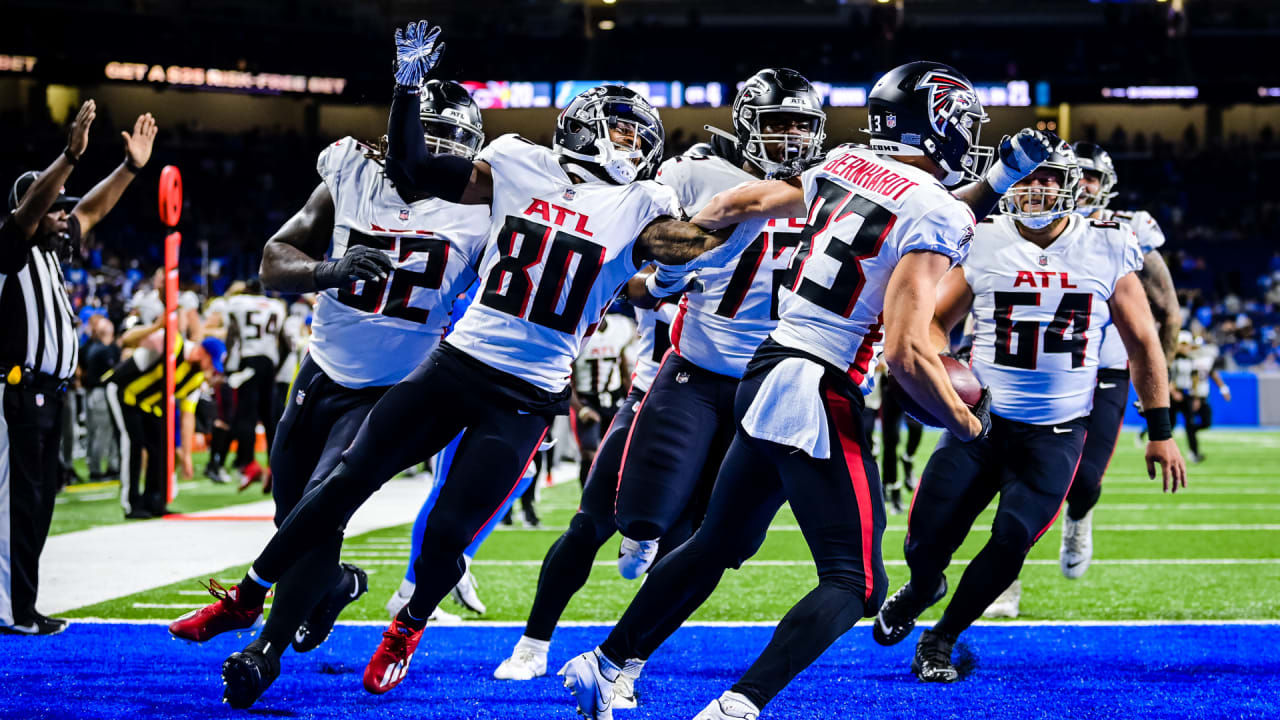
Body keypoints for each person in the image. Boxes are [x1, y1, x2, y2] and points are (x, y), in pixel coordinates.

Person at [168, 20, 748, 707]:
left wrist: (763, 195)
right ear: (583, 125)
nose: (630, 144)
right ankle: (248, 596)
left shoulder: (642, 204)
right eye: (619, 129)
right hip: (459, 364)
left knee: (447, 533)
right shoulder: (516, 163)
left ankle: (407, 626)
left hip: (527, 397)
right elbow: (413, 167)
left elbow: (695, 244)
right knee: (342, 485)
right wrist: (407, 84)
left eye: (637, 137)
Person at [558, 61, 1052, 720]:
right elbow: (907, 351)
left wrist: (675, 259)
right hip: (821, 381)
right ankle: (738, 705)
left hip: (768, 366)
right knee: (857, 583)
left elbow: (740, 204)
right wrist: (967, 423)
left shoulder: (844, 164)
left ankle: (605, 661)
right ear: (939, 125)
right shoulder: (936, 210)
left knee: (717, 542)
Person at [169, 78, 492, 708]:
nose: (433, 157)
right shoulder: (350, 172)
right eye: (427, 140)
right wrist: (327, 270)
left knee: (322, 507)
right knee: (295, 518)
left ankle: (265, 651)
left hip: (392, 389)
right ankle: (337, 584)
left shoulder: (481, 215)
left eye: (450, 146)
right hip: (319, 371)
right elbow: (272, 259)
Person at [873, 138, 1187, 684]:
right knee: (924, 537)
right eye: (1027, 177)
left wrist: (1160, 429)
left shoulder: (1108, 244)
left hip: (1057, 432)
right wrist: (941, 370)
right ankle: (924, 586)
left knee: (1012, 538)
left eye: (1049, 178)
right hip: (980, 423)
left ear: (1069, 185)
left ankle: (942, 637)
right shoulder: (984, 238)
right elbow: (935, 323)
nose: (1036, 188)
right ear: (1009, 181)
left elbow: (1143, 343)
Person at [1, 102, 156, 635]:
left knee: (40, 503)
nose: (65, 216)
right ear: (31, 208)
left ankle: (24, 605)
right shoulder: (11, 247)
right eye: (54, 208)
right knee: (15, 506)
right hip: (16, 394)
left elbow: (89, 210)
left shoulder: (51, 250)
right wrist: (70, 155)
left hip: (51, 395)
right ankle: (10, 610)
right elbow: (29, 213)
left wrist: (130, 169)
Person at [490, 295, 674, 699]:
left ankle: (626, 661)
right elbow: (633, 279)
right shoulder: (670, 242)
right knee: (587, 525)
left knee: (696, 544)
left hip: (730, 404)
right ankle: (533, 646)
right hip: (652, 394)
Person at [1052, 141, 1181, 583]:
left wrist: (1156, 393)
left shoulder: (1127, 229)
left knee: (1086, 479)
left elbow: (1166, 309)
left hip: (1104, 370)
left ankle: (1078, 520)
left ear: (1107, 185)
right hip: (1043, 367)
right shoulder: (1034, 222)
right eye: (1079, 173)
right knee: (1022, 478)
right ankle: (1005, 574)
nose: (1085, 184)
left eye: (1093, 176)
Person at [103, 320, 226, 518]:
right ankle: (131, 502)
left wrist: (186, 456)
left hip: (151, 403)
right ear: (202, 352)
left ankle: (155, 501)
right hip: (124, 391)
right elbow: (127, 339)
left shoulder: (195, 379)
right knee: (133, 443)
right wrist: (156, 326)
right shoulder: (171, 343)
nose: (210, 369)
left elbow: (188, 416)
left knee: (160, 448)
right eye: (211, 363)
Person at [220, 278, 287, 491]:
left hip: (248, 361)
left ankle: (248, 464)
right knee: (271, 419)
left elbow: (232, 336)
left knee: (244, 415)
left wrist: (229, 366)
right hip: (269, 363)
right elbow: (285, 343)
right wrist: (275, 368)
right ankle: (275, 468)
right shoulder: (277, 306)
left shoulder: (237, 304)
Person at [569, 311, 635, 488]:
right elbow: (566, 380)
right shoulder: (578, 330)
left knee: (618, 452)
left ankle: (609, 502)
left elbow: (624, 372)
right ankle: (585, 503)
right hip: (586, 400)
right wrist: (580, 409)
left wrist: (632, 401)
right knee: (589, 452)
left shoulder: (621, 327)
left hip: (614, 400)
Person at [80, 316, 121, 482]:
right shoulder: (103, 350)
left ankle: (108, 466)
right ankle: (96, 469)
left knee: (101, 432)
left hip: (96, 392)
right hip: (100, 393)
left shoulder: (94, 348)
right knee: (102, 432)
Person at [1188, 333, 1230, 462]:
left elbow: (1213, 374)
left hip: (1203, 395)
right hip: (1191, 395)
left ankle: (1190, 433)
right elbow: (1194, 378)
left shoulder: (1205, 359)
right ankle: (1194, 452)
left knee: (1206, 422)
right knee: (1187, 423)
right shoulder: (1188, 359)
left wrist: (1223, 389)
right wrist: (1195, 397)